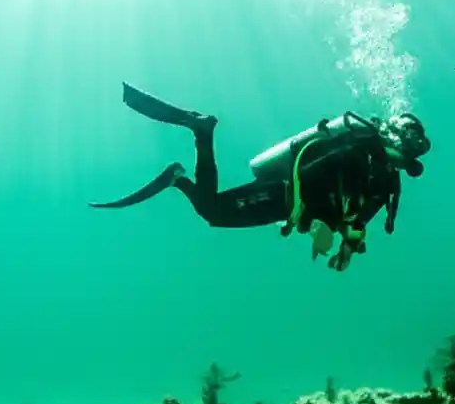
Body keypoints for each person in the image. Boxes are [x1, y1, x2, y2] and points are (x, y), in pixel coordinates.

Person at [90, 82, 431, 272]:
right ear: (394, 133)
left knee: (213, 212)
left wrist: (347, 246)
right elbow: (311, 174)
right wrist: (323, 222)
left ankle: (182, 170)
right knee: (212, 212)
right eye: (409, 141)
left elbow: (359, 218)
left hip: (284, 208)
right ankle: (200, 133)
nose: (409, 153)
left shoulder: (386, 181)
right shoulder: (359, 147)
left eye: (414, 149)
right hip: (280, 194)